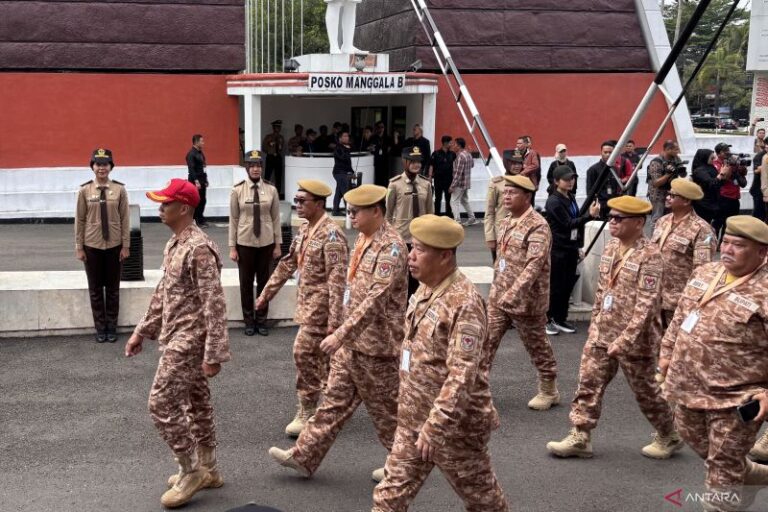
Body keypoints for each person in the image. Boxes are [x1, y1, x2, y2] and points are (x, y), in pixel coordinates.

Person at [268, 185, 407, 481]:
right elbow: (350, 289)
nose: (351, 216)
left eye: (357, 211)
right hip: (352, 344)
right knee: (332, 403)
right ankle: (304, 457)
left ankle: (403, 465)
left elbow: (375, 299)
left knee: (386, 413)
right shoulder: (362, 240)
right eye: (349, 210)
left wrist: (340, 332)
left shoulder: (391, 247)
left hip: (377, 346)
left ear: (376, 211)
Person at [371, 214, 509, 512]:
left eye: (420, 249)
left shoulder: (465, 303)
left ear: (445, 256)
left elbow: (462, 375)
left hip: (453, 428)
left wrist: (436, 427)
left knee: (484, 502)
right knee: (388, 499)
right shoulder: (425, 287)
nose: (410, 256)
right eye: (412, 247)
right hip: (412, 419)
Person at [547, 196, 681, 460]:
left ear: (638, 222)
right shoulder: (611, 249)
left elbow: (647, 306)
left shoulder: (651, 256)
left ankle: (668, 433)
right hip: (602, 332)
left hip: (635, 339)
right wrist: (595, 324)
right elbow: (601, 292)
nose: (612, 223)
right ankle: (580, 435)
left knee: (647, 392)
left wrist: (625, 340)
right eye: (611, 217)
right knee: (588, 382)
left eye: (619, 219)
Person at [125, 178, 230, 509]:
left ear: (183, 208)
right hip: (175, 333)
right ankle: (209, 468)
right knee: (196, 402)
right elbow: (163, 294)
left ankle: (190, 470)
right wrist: (142, 330)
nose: (159, 209)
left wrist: (214, 353)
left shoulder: (199, 249)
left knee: (160, 404)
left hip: (189, 340)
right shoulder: (176, 244)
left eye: (165, 204)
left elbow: (214, 304)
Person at [658, 216, 768, 510]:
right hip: (687, 388)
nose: (728, 249)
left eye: (739, 245)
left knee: (721, 470)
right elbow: (680, 318)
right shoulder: (707, 272)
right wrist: (667, 353)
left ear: (762, 252)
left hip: (736, 398)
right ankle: (750, 474)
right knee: (701, 444)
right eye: (727, 242)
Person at [256, 180, 348, 437]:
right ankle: (333, 405)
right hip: (308, 306)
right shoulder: (307, 229)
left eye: (302, 201)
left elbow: (337, 280)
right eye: (296, 200)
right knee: (327, 362)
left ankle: (307, 409)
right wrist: (265, 294)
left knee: (303, 353)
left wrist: (334, 320)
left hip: (323, 310)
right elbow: (288, 264)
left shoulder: (332, 235)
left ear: (318, 204)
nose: (297, 205)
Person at [486, 175, 559, 410]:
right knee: (485, 341)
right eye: (505, 192)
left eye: (512, 193)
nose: (506, 196)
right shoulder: (507, 221)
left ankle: (549, 389)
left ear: (527, 197)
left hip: (526, 301)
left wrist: (514, 293)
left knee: (536, 345)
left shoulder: (537, 225)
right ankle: (476, 386)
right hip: (499, 296)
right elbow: (503, 259)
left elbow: (533, 266)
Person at [75, 148, 130, 343]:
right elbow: (79, 220)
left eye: (105, 164)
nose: (101, 168)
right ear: (92, 166)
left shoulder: (120, 190)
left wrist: (126, 246)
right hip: (92, 246)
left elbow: (125, 219)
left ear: (111, 167)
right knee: (96, 289)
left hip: (114, 245)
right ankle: (100, 328)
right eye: (98, 164)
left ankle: (111, 327)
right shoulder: (84, 190)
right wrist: (79, 246)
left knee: (113, 289)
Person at [650, 179, 716, 332]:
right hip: (654, 296)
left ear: (686, 200)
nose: (667, 197)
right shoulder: (662, 222)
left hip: (677, 301)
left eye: (672, 195)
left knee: (674, 346)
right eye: (668, 194)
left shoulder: (702, 230)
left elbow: (702, 271)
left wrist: (690, 301)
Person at [229, 150, 282, 336]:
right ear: (246, 168)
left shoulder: (271, 190)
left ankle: (262, 320)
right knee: (245, 284)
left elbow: (276, 219)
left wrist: (278, 245)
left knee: (264, 283)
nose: (256, 169)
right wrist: (232, 247)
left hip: (266, 243)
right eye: (252, 165)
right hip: (245, 243)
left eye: (259, 165)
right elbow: (233, 220)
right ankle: (249, 320)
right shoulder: (237, 190)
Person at [544, 166, 600, 336]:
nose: (570, 181)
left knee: (567, 285)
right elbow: (568, 223)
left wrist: (578, 247)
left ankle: (560, 318)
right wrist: (590, 216)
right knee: (556, 286)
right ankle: (548, 319)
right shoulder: (553, 201)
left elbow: (575, 224)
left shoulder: (570, 197)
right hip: (558, 249)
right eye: (566, 179)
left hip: (570, 248)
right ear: (556, 181)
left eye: (572, 178)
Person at [386, 146, 434, 297]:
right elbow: (388, 212)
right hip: (401, 236)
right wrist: (388, 236)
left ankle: (412, 306)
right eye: (412, 161)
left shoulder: (426, 184)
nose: (416, 165)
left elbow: (430, 212)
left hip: (420, 237)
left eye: (419, 161)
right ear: (405, 162)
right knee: (399, 274)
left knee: (418, 275)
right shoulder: (395, 184)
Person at [485, 150, 524, 263]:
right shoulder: (497, 183)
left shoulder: (525, 182)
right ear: (506, 163)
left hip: (520, 233)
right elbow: (489, 212)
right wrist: (490, 237)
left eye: (519, 163)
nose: (517, 166)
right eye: (513, 163)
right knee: (501, 270)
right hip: (502, 234)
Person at [712, 142, 748, 243]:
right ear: (719, 153)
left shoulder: (734, 163)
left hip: (735, 198)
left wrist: (740, 167)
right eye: (725, 151)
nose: (728, 153)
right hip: (723, 198)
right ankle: (710, 243)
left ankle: (723, 244)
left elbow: (743, 180)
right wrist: (730, 166)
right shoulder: (716, 164)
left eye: (729, 150)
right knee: (718, 223)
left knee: (730, 225)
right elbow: (724, 177)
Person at [647, 140, 684, 226]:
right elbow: (656, 183)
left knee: (670, 219)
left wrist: (681, 170)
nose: (678, 152)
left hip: (671, 194)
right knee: (657, 219)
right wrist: (668, 174)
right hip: (658, 195)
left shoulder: (676, 159)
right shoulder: (656, 162)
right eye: (676, 149)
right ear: (668, 149)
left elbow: (682, 175)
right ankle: (655, 238)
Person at [586, 140, 626, 219]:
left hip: (612, 206)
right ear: (601, 152)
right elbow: (590, 192)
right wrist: (595, 207)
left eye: (610, 152)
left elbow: (616, 188)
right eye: (605, 152)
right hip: (600, 207)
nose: (608, 154)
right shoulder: (593, 170)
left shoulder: (615, 169)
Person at [691, 148, 725, 225]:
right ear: (704, 157)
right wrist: (721, 174)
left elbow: (718, 183)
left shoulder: (710, 167)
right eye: (711, 158)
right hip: (703, 203)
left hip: (714, 201)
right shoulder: (699, 171)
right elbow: (711, 183)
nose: (713, 160)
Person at [449, 138, 477, 225]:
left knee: (454, 201)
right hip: (466, 183)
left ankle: (457, 221)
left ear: (459, 145)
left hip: (460, 183)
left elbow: (458, 173)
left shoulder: (460, 156)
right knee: (464, 201)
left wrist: (452, 186)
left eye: (454, 144)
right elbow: (472, 165)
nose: (453, 146)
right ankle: (472, 218)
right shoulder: (468, 154)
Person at [428, 135, 455, 217]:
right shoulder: (436, 153)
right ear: (445, 143)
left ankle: (449, 215)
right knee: (438, 198)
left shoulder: (452, 154)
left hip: (449, 179)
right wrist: (429, 177)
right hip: (438, 179)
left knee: (448, 198)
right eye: (450, 143)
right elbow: (431, 165)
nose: (452, 144)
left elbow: (455, 165)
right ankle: (437, 214)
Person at [186, 134, 208, 227]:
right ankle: (196, 221)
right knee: (196, 201)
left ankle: (201, 219)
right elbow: (191, 169)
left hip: (202, 179)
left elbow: (203, 167)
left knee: (203, 200)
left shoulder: (200, 153)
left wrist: (205, 180)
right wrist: (196, 181)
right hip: (195, 181)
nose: (203, 143)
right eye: (202, 141)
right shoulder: (191, 154)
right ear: (196, 142)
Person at [332, 131, 354, 216]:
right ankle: (349, 212)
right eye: (344, 136)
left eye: (347, 136)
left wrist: (351, 172)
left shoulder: (347, 147)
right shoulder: (338, 147)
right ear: (340, 138)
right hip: (339, 173)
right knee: (346, 192)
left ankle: (335, 210)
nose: (347, 138)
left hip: (344, 173)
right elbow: (343, 158)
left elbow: (348, 163)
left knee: (339, 192)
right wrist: (347, 149)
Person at [262, 120, 285, 194]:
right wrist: (270, 151)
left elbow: (282, 148)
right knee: (267, 175)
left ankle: (277, 193)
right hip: (271, 157)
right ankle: (265, 192)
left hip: (278, 157)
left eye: (279, 127)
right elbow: (264, 147)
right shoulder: (268, 137)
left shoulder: (281, 137)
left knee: (278, 176)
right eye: (277, 127)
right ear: (273, 128)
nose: (278, 128)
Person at [371, 121, 393, 187]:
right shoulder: (373, 137)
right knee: (377, 178)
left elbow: (389, 149)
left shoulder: (387, 138)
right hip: (376, 160)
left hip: (385, 160)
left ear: (384, 128)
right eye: (379, 127)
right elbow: (371, 148)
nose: (381, 129)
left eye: (382, 127)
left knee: (385, 178)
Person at [750, 145, 766, 222]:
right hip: (758, 189)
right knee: (758, 213)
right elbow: (756, 170)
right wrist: (764, 166)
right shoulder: (760, 156)